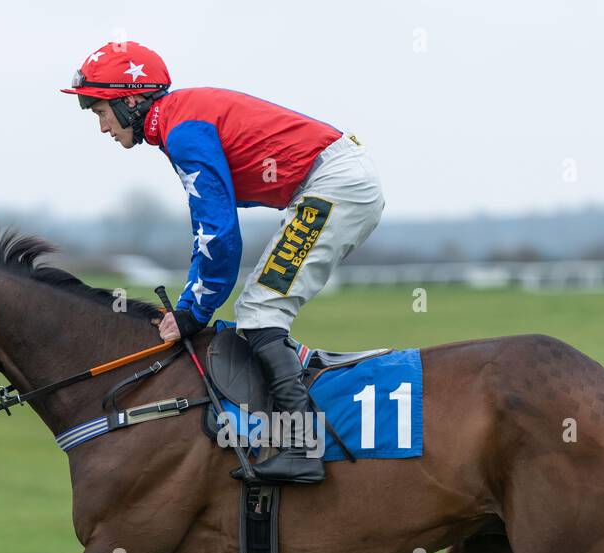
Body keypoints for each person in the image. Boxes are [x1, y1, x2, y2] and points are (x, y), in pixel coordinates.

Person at [61, 40, 385, 484]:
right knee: (259, 307)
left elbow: (219, 236)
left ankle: (302, 449)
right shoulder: (177, 120)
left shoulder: (183, 132)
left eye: (100, 111)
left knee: (260, 310)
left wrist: (193, 311)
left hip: (336, 185)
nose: (101, 127)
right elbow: (210, 232)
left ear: (132, 100)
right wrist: (193, 302)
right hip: (333, 182)